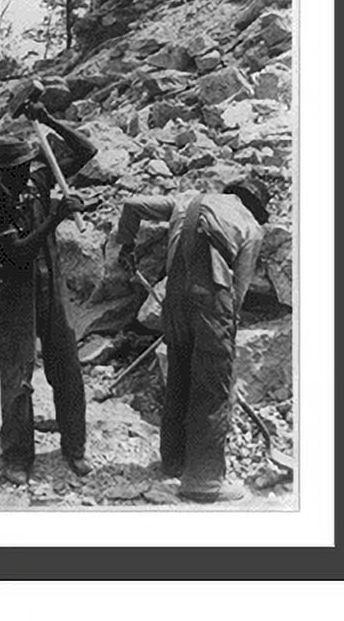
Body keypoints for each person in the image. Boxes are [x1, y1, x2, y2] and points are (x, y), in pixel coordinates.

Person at [115, 177, 270, 503]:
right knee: (212, 388)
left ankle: (173, 463)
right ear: (256, 207)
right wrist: (226, 333)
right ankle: (204, 482)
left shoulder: (188, 200)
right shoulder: (252, 227)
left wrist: (126, 245)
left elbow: (131, 206)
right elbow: (238, 291)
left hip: (173, 301)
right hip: (211, 304)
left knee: (180, 379)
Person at [0, 103, 97, 485]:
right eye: (18, 170)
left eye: (28, 166)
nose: (26, 173)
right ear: (4, 173)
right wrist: (56, 217)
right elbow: (17, 253)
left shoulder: (40, 181)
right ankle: (17, 457)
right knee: (18, 377)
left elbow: (86, 152)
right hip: (15, 293)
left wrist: (48, 119)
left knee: (67, 369)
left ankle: (74, 448)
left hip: (52, 288)